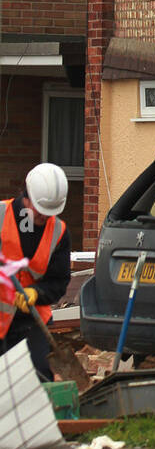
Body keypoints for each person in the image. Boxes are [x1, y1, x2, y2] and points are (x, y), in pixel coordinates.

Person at [0, 163, 71, 381]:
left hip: (33, 319)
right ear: (27, 196)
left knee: (40, 378)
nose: (43, 217)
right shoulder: (1, 215)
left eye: (48, 213)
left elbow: (58, 283)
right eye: (39, 211)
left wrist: (35, 293)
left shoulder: (58, 232)